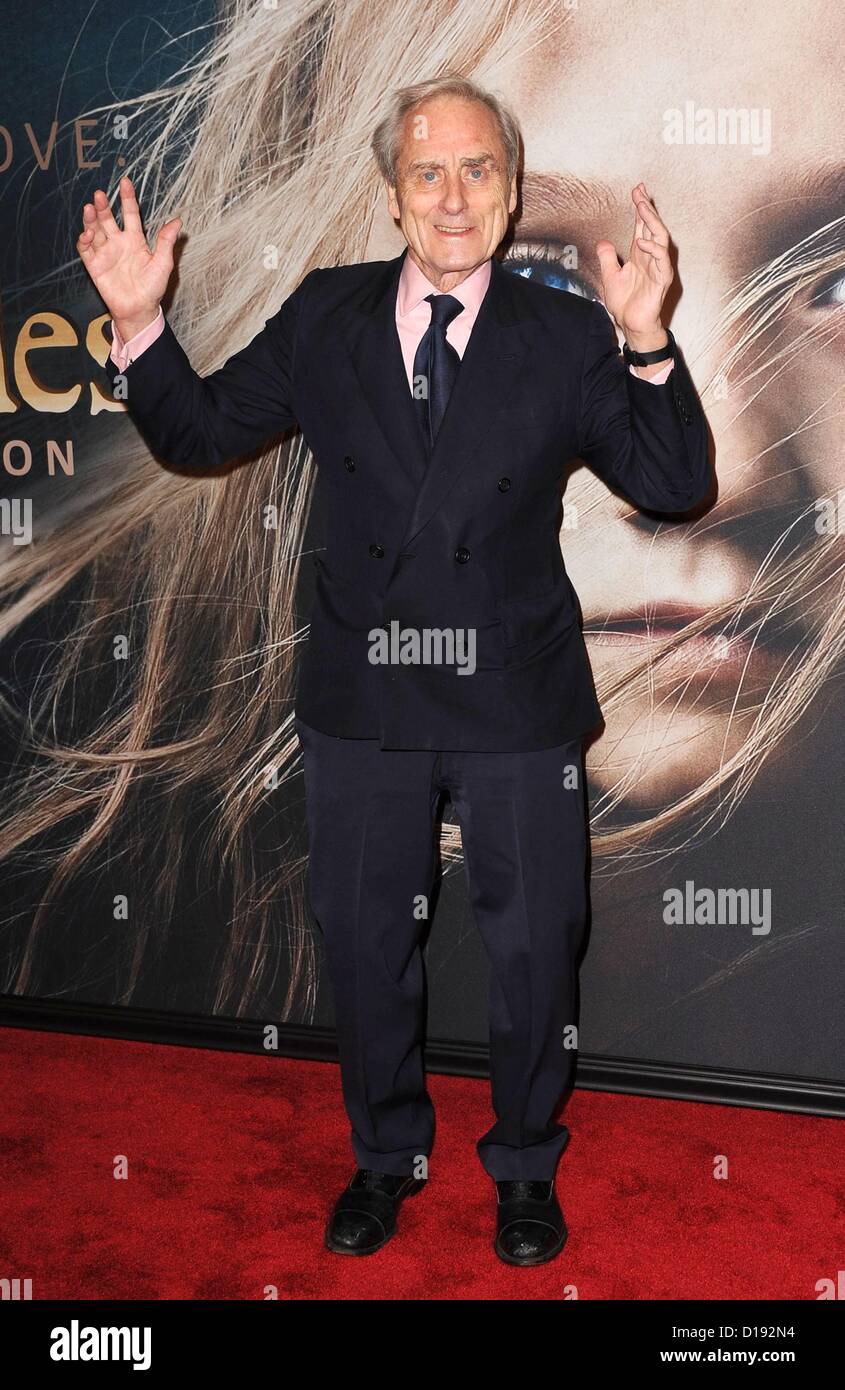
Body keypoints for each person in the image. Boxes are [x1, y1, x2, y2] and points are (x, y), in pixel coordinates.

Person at [76, 73, 710, 1265]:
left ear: (511, 192)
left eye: (478, 169)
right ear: (389, 194)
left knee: (534, 944)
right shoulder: (325, 315)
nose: (453, 195)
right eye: (427, 171)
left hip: (513, 697)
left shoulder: (568, 334)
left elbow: (674, 485)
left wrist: (645, 338)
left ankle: (524, 1164)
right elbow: (203, 432)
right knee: (367, 941)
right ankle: (385, 1157)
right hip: (365, 700)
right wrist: (142, 328)